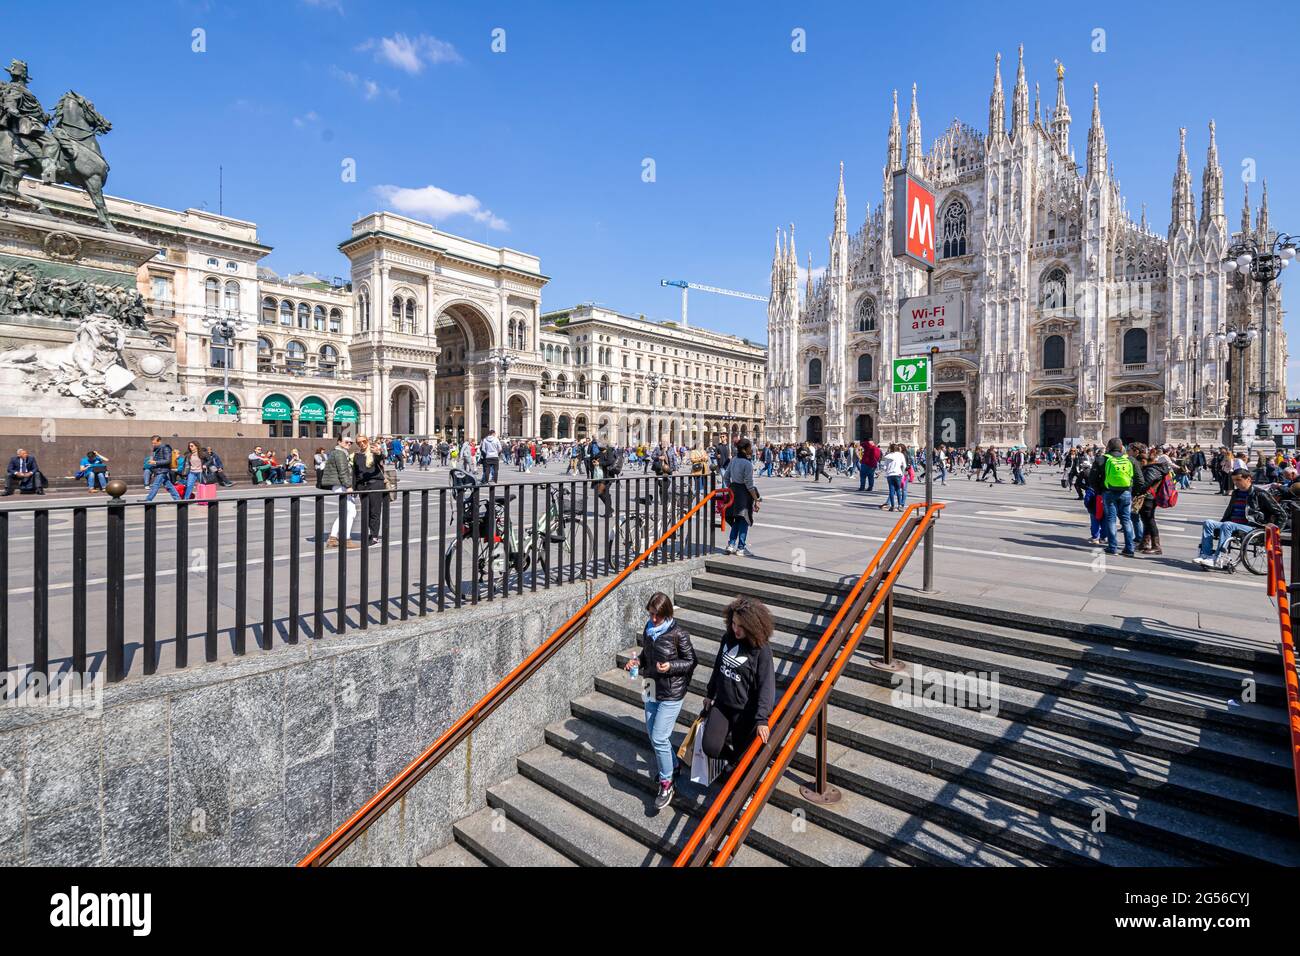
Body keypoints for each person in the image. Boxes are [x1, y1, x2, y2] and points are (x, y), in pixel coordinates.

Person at [622, 592, 696, 810]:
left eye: (657, 616)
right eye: (651, 614)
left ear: (667, 614)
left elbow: (692, 661)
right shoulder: (649, 629)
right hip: (650, 685)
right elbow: (646, 654)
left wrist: (671, 667)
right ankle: (673, 765)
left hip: (671, 691)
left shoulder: (678, 634)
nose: (653, 619)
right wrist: (635, 661)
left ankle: (666, 783)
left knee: (660, 737)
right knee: (652, 733)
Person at [701, 597, 776, 770]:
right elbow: (718, 665)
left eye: (741, 626)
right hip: (723, 704)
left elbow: (767, 685)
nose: (736, 629)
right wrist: (710, 693)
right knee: (710, 747)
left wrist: (762, 718)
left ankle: (744, 784)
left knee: (746, 759)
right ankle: (734, 760)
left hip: (745, 712)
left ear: (752, 626)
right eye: (734, 623)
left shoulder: (761, 649)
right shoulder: (728, 638)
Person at [1195, 470, 1284, 569]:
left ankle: (1218, 557)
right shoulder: (1236, 493)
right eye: (1233, 480)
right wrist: (1220, 524)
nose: (1235, 483)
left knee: (1227, 525)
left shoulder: (1260, 494)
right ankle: (1206, 555)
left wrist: (1274, 532)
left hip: (1251, 527)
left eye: (1238, 480)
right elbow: (1229, 511)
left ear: (1248, 479)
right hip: (1232, 525)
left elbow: (1281, 514)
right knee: (1208, 522)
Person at [1092, 437, 1136, 557]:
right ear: (1122, 447)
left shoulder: (1101, 459)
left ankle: (1112, 547)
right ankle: (1130, 548)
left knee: (1111, 520)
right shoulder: (1130, 460)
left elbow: (1093, 479)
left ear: (1108, 447)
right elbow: (1139, 478)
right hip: (1126, 492)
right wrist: (1132, 491)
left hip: (1109, 492)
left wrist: (1099, 491)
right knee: (1126, 520)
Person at [722, 437, 761, 556]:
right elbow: (749, 485)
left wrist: (731, 487)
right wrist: (756, 499)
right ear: (745, 449)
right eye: (750, 447)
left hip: (733, 492)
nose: (751, 449)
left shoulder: (734, 460)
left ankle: (731, 544)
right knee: (744, 519)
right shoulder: (747, 464)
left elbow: (725, 477)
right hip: (744, 493)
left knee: (737, 520)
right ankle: (741, 548)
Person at [322, 436, 358, 548]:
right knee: (351, 512)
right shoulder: (340, 453)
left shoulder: (339, 452)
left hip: (338, 484)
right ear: (339, 442)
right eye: (346, 442)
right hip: (340, 485)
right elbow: (342, 471)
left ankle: (333, 538)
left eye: (350, 442)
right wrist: (348, 486)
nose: (349, 444)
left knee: (346, 512)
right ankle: (346, 539)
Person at [352, 435, 387, 545]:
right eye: (359, 442)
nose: (362, 444)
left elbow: (381, 458)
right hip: (362, 486)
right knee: (366, 511)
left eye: (364, 441)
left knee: (374, 511)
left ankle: (374, 536)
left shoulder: (373, 453)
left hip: (375, 484)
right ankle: (370, 533)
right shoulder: (356, 456)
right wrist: (353, 489)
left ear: (367, 441)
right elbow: (355, 474)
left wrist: (378, 453)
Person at [144, 436, 181, 501]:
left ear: (159, 441)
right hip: (159, 470)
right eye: (152, 443)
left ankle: (148, 499)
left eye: (155, 443)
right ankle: (177, 499)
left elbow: (168, 461)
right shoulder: (156, 449)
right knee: (169, 486)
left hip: (162, 470)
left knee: (155, 485)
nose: (153, 445)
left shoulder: (165, 448)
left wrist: (155, 462)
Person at [879, 443, 908, 511]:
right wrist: (902, 472)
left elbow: (885, 467)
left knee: (891, 491)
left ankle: (892, 506)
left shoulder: (888, 456)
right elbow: (904, 465)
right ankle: (900, 505)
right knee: (898, 490)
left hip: (890, 475)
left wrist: (888, 469)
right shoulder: (900, 455)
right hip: (898, 474)